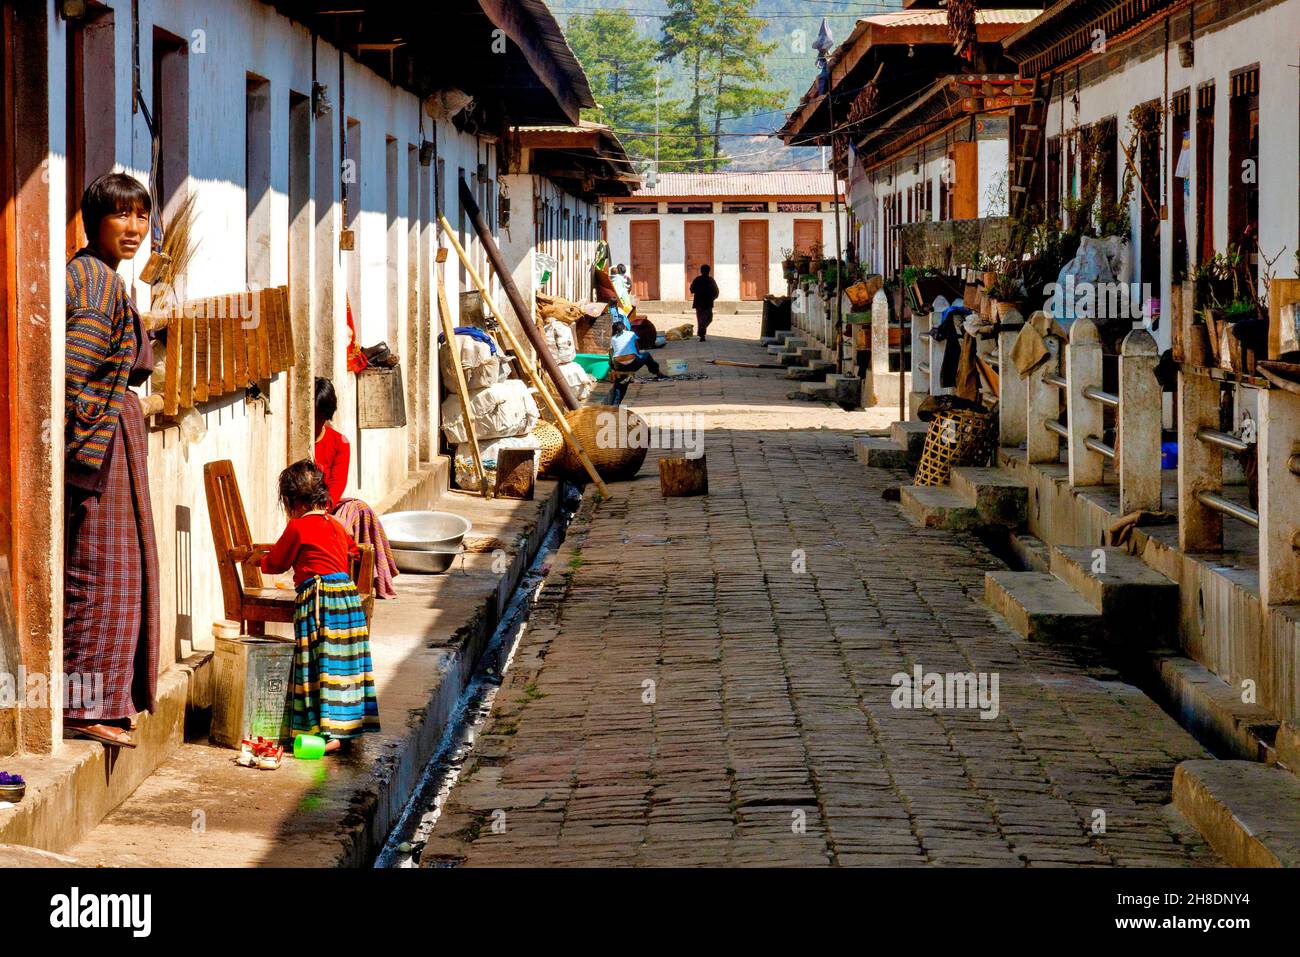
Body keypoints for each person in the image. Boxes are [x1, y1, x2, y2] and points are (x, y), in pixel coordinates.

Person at [63, 172, 160, 749]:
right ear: (93, 219)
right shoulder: (95, 287)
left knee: (119, 576)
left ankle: (102, 701)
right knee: (102, 578)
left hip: (111, 451)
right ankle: (84, 705)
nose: (133, 228)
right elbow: (74, 381)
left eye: (141, 216)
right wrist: (88, 447)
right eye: (121, 216)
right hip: (99, 457)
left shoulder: (104, 279)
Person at [252, 460, 381, 753]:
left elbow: (276, 563)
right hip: (346, 598)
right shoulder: (335, 524)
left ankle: (323, 732)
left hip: (319, 598)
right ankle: (347, 727)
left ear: (291, 502)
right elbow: (351, 550)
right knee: (342, 661)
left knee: (316, 662)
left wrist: (256, 560)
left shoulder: (298, 527)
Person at [314, 377, 399, 599]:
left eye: (320, 416)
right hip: (302, 508)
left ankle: (365, 581)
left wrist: (322, 510)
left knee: (361, 512)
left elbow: (336, 485)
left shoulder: (339, 443)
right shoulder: (302, 438)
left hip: (327, 506)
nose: (316, 421)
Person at [609, 315, 666, 405]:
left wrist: (613, 368)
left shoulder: (613, 338)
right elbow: (636, 347)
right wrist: (638, 356)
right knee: (646, 355)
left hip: (618, 365)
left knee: (619, 384)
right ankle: (658, 373)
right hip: (633, 362)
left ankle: (615, 404)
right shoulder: (631, 334)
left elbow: (612, 352)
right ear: (624, 327)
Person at [689, 264, 720, 342]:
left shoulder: (697, 279)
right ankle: (702, 333)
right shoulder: (711, 280)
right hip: (707, 303)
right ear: (709, 271)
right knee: (708, 318)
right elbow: (716, 291)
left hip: (699, 303)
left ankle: (701, 331)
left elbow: (692, 290)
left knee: (701, 319)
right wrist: (713, 297)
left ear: (701, 271)